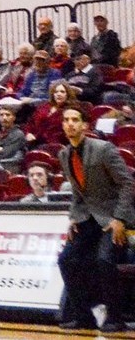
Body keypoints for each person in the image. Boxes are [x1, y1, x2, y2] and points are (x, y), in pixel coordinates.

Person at [58, 103, 135, 331]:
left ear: (85, 125)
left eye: (75, 120)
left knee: (104, 260)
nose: (70, 124)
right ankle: (84, 317)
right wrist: (73, 217)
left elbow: (127, 183)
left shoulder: (104, 149)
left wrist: (119, 219)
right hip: (87, 218)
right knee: (66, 259)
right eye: (66, 120)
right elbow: (78, 192)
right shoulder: (64, 154)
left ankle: (115, 318)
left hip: (113, 218)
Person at [28, 80, 73, 147]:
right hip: (34, 142)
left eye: (62, 92)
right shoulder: (44, 106)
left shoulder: (70, 110)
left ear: (67, 94)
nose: (59, 94)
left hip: (55, 145)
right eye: (56, 92)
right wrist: (28, 133)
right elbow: (31, 123)